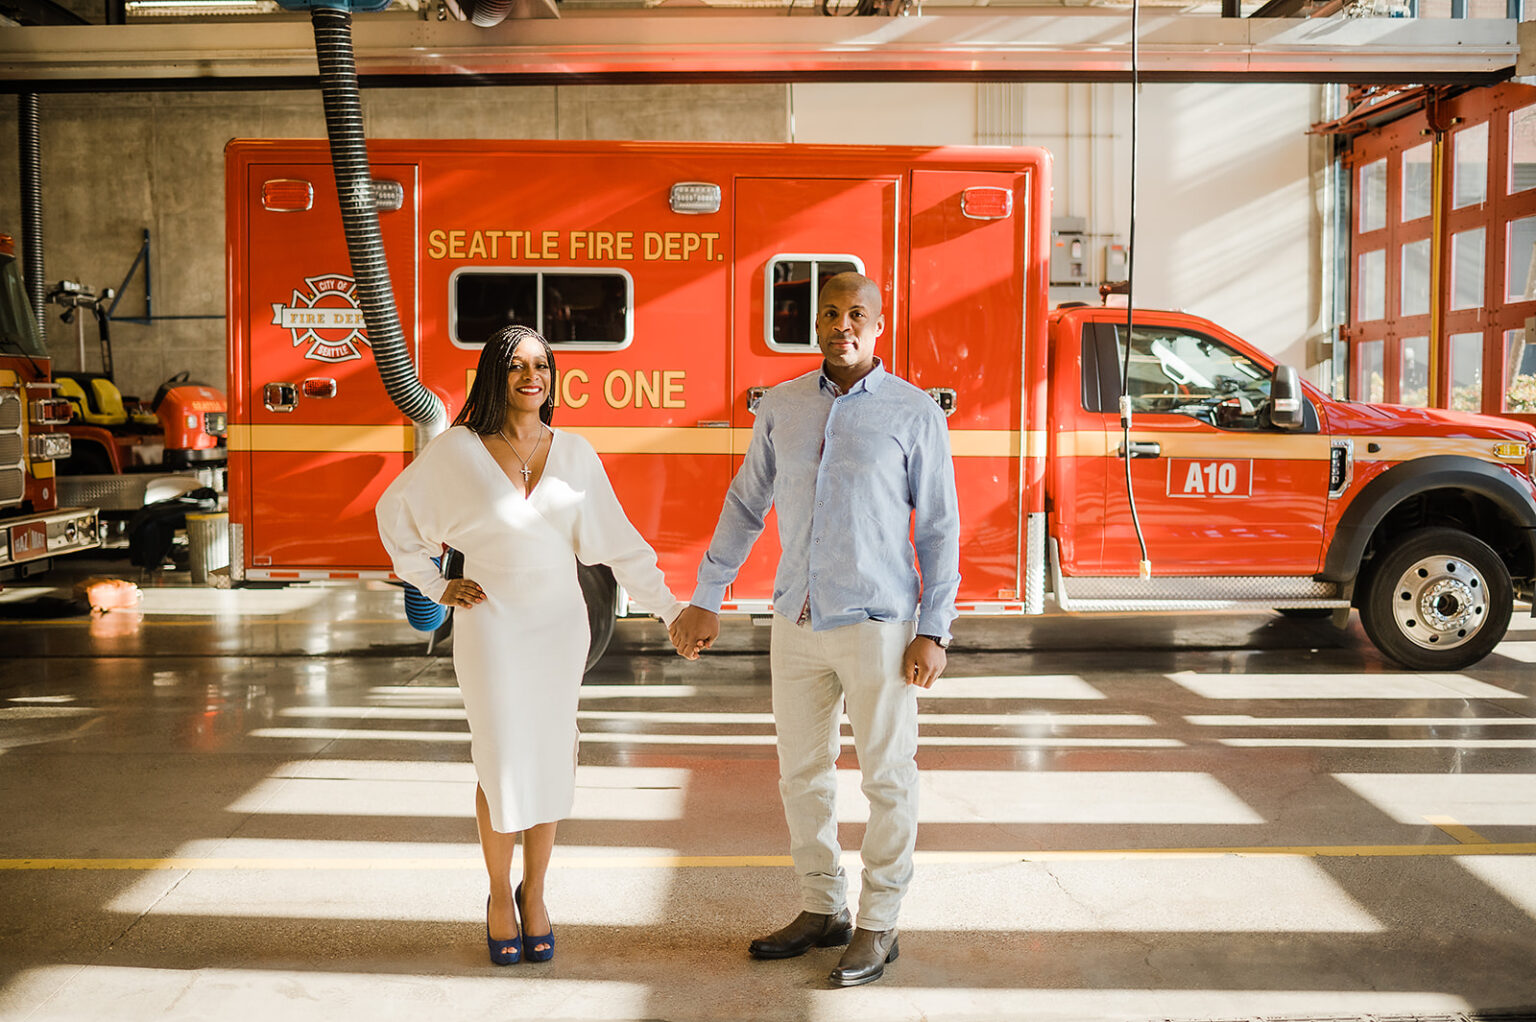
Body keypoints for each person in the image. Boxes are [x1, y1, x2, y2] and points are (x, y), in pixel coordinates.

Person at [670, 271, 960, 988]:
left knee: (887, 779)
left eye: (856, 313)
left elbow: (940, 532)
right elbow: (745, 505)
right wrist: (708, 592)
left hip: (879, 627)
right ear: (817, 323)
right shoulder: (783, 405)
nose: (842, 324)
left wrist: (936, 629)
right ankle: (822, 907)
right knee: (802, 775)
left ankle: (879, 921)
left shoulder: (914, 412)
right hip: (796, 621)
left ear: (880, 323)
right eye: (830, 313)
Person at [377, 324, 685, 966]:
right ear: (494, 374)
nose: (531, 376)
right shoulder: (458, 449)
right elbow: (395, 516)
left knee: (550, 754)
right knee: (498, 756)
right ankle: (496, 894)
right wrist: (437, 584)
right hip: (490, 624)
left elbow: (622, 544)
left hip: (557, 624)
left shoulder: (574, 453)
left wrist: (672, 611)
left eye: (541, 365)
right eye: (516, 365)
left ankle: (536, 892)